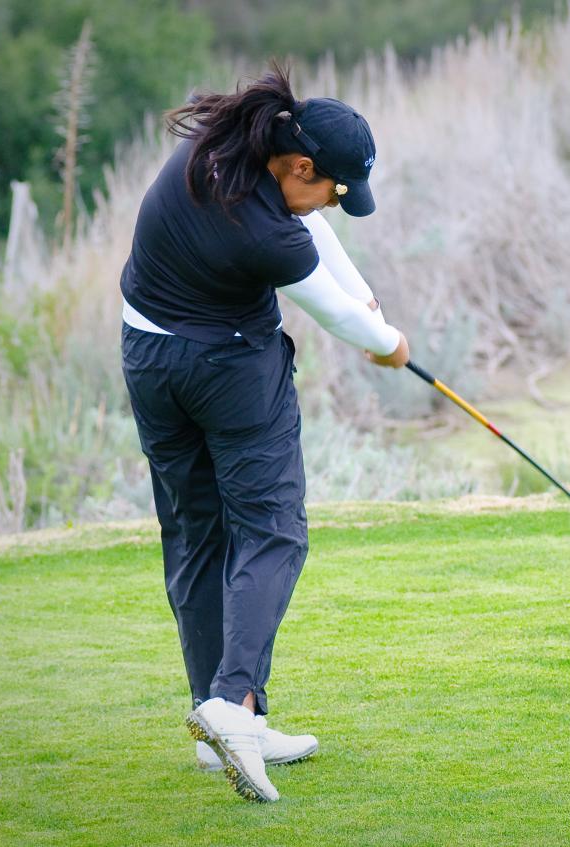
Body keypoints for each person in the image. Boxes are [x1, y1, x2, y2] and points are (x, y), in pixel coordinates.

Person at [118, 61, 408, 803]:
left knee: (195, 533)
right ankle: (233, 704)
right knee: (274, 529)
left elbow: (308, 222)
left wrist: (359, 295)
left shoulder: (223, 147)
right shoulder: (267, 235)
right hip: (227, 367)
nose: (335, 206)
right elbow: (336, 313)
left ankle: (224, 721)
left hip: (150, 357)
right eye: (335, 191)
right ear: (303, 164)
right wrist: (387, 339)